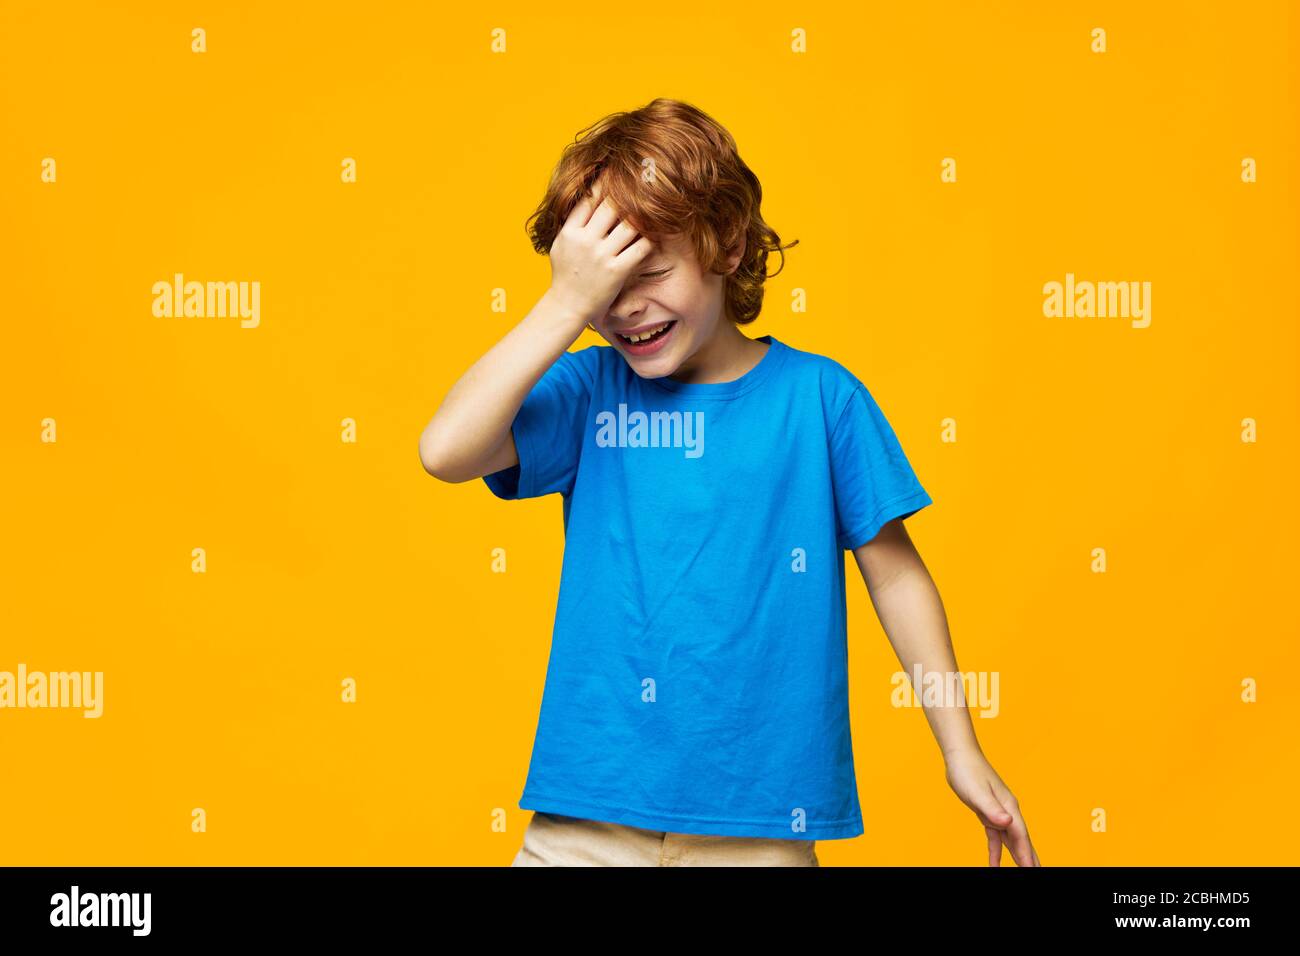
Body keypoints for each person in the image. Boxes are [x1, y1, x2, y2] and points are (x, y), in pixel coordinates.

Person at [420, 97, 1040, 867]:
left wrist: (961, 750)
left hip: (759, 827)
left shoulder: (821, 400)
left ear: (729, 243)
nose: (627, 308)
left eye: (650, 272)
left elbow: (898, 579)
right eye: (601, 289)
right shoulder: (587, 393)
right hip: (585, 819)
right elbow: (446, 450)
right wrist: (563, 303)